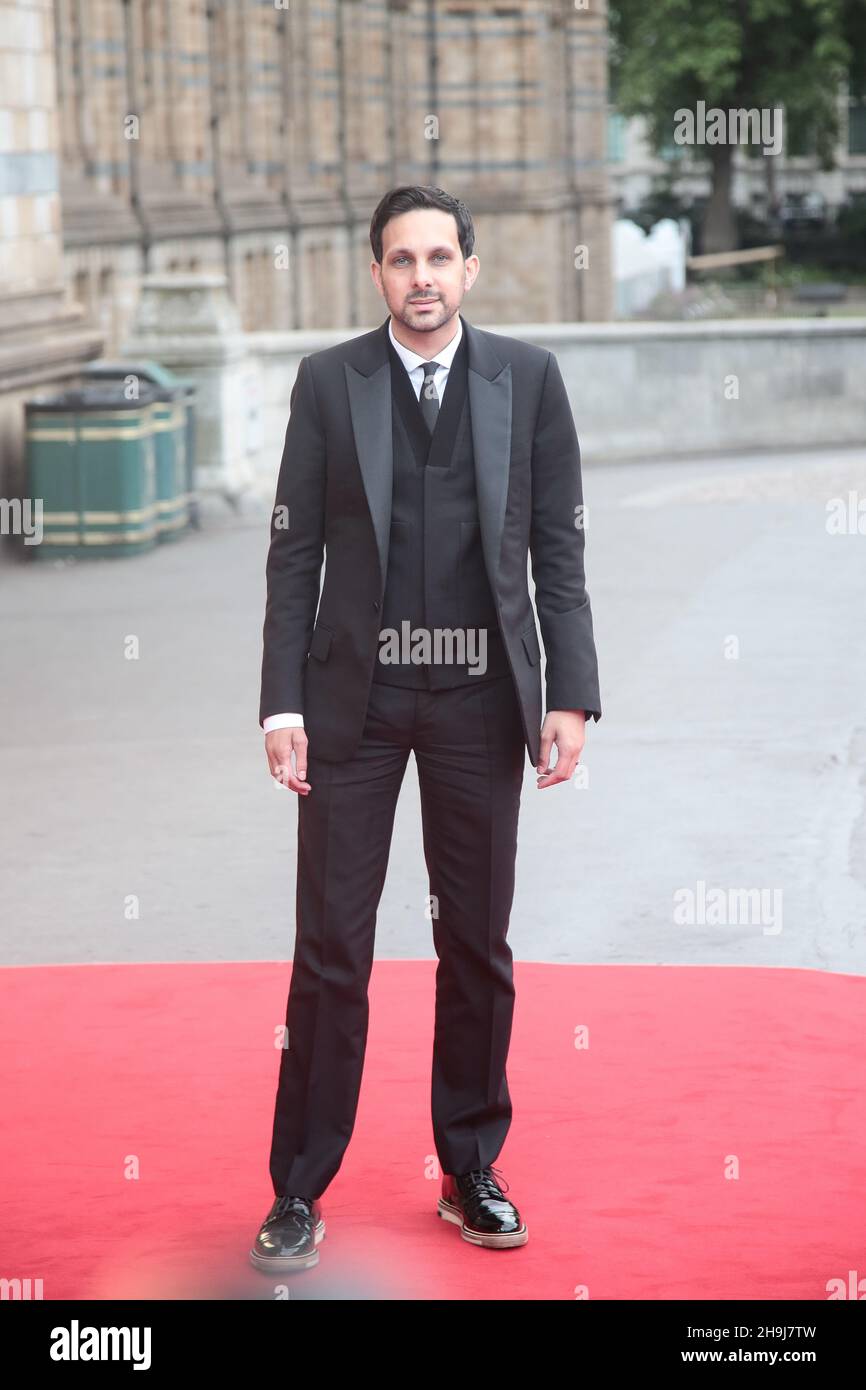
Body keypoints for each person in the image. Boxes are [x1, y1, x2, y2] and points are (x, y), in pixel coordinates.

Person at [249, 185, 601, 1272]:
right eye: (400, 259)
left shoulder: (528, 380)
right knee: (330, 950)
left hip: (477, 699)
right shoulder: (325, 383)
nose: (421, 277)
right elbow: (292, 552)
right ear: (375, 273)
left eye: (438, 257)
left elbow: (556, 548)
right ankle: (298, 1190)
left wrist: (568, 692)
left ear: (469, 268)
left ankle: (469, 1169)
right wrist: (281, 699)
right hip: (350, 701)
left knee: (476, 944)